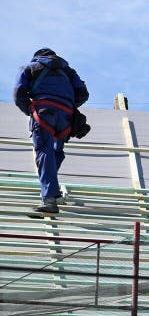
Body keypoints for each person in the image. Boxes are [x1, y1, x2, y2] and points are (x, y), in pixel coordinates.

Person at [13, 48, 89, 214]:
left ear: (37, 57)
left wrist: (29, 110)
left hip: (43, 113)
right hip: (66, 117)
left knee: (44, 152)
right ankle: (52, 190)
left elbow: (19, 93)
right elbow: (83, 94)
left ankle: (49, 201)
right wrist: (67, 104)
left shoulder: (30, 67)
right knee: (57, 151)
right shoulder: (68, 71)